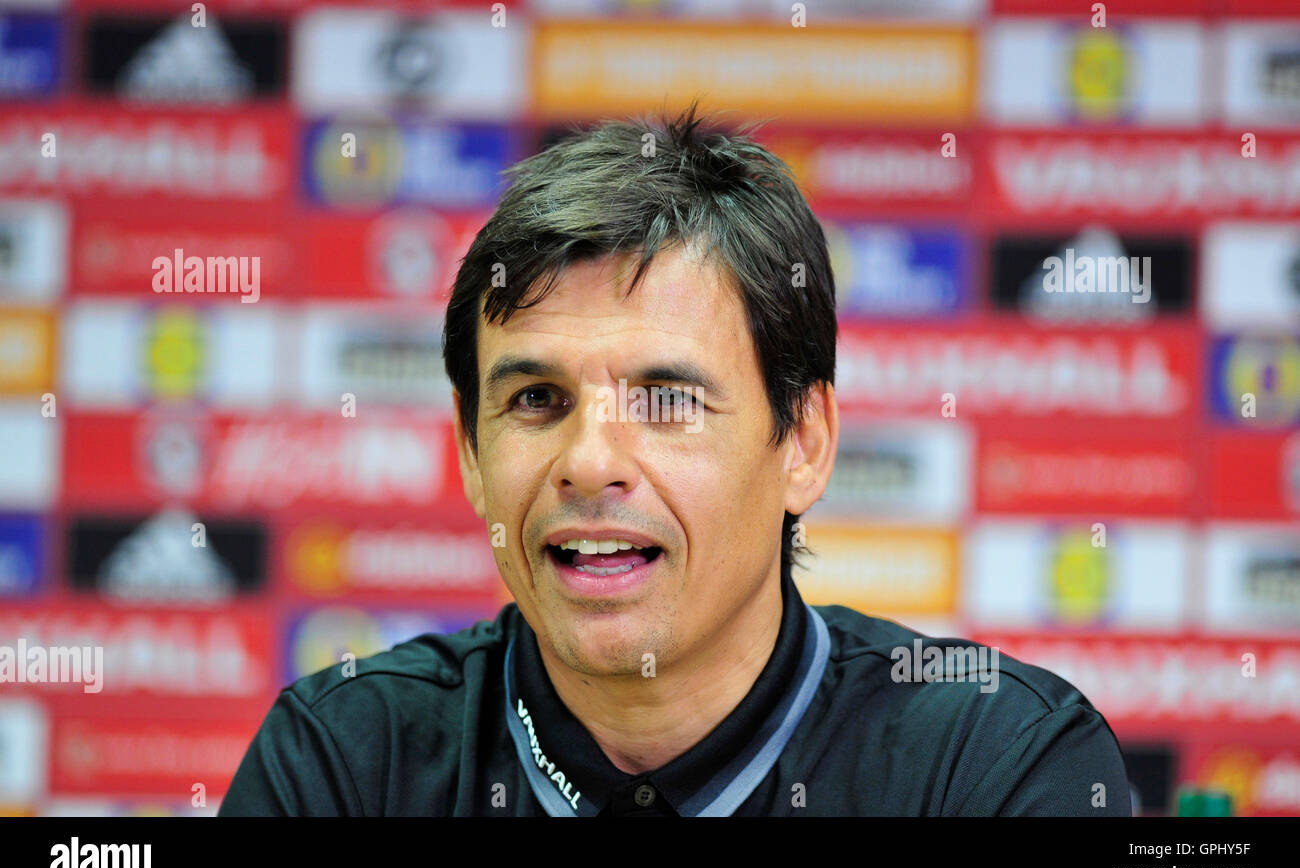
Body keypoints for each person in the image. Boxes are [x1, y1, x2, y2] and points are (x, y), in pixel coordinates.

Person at [219, 102, 1130, 816]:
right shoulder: (340, 763)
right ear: (469, 448)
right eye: (536, 400)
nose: (587, 462)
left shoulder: (997, 766)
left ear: (803, 444)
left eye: (665, 401)